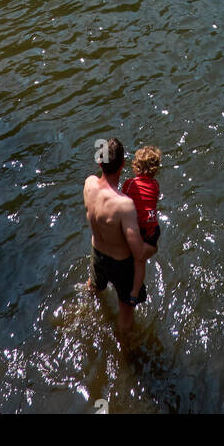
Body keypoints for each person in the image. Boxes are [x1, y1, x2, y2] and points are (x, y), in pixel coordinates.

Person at [84, 137, 150, 334]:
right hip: (120, 265)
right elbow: (138, 253)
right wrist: (153, 247)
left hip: (97, 253)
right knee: (126, 314)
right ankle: (125, 346)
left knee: (94, 287)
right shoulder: (124, 205)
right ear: (122, 164)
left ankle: (84, 310)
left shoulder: (89, 184)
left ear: (100, 163)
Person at [122, 146, 162, 296]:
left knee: (135, 258)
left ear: (136, 166)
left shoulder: (129, 184)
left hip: (139, 229)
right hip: (153, 231)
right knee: (141, 262)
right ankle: (135, 293)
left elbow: (122, 202)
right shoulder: (155, 185)